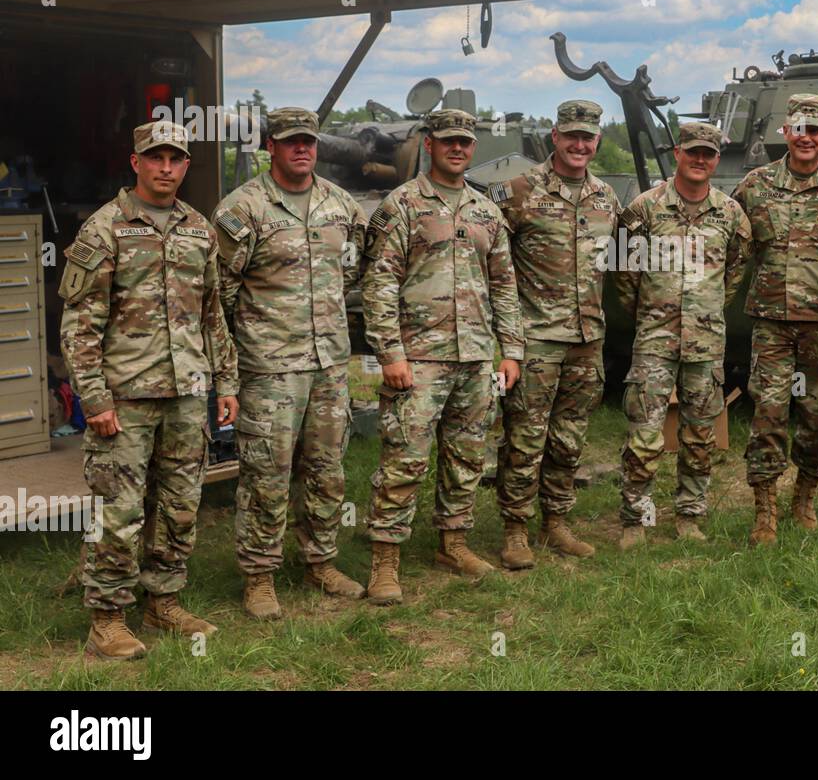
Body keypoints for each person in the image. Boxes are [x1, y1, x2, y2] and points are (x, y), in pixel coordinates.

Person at [60, 120, 238, 659]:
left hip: (187, 394)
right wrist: (94, 399)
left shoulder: (198, 229)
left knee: (181, 505)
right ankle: (107, 618)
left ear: (186, 165)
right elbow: (80, 325)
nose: (165, 167)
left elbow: (212, 314)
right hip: (125, 399)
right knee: (120, 510)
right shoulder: (105, 228)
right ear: (136, 162)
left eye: (175, 158)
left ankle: (163, 600)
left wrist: (226, 382)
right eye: (155, 158)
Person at [361, 108, 524, 603]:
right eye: (448, 140)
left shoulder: (485, 210)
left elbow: (504, 284)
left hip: (475, 357)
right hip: (419, 357)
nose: (457, 148)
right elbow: (379, 283)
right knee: (404, 459)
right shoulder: (402, 204)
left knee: (467, 456)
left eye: (465, 142)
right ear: (429, 144)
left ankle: (453, 545)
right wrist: (390, 353)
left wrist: (511, 350)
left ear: (473, 147)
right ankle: (385, 560)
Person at [213, 106, 369, 618]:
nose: (302, 148)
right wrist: (233, 365)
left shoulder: (341, 205)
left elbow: (352, 271)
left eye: (309, 141)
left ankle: (320, 562)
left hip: (329, 365)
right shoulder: (243, 210)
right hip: (270, 368)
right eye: (291, 141)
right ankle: (259, 576)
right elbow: (220, 294)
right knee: (267, 474)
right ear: (271, 147)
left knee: (326, 470)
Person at [732, 94, 818, 545]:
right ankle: (765, 508)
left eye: (814, 130)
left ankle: (805, 495)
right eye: (798, 129)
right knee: (768, 414)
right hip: (771, 324)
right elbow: (726, 234)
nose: (805, 137)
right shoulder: (755, 185)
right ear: (785, 132)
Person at [492, 100, 621, 568]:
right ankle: (515, 529)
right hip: (536, 339)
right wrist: (505, 340)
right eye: (571, 136)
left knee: (569, 437)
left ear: (597, 141)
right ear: (555, 136)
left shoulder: (606, 197)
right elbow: (494, 267)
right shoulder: (516, 192)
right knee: (525, 438)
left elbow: (619, 264)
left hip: (587, 339)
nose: (579, 145)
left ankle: (556, 521)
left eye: (587, 137)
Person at [614, 123, 751, 548]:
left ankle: (690, 516)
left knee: (699, 436)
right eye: (692, 152)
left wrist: (703, 312)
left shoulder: (730, 214)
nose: (699, 160)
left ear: (716, 160)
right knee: (644, 436)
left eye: (708, 154)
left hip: (706, 344)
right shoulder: (644, 209)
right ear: (677, 153)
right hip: (654, 342)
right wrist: (654, 313)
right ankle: (636, 519)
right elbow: (624, 275)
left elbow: (734, 274)